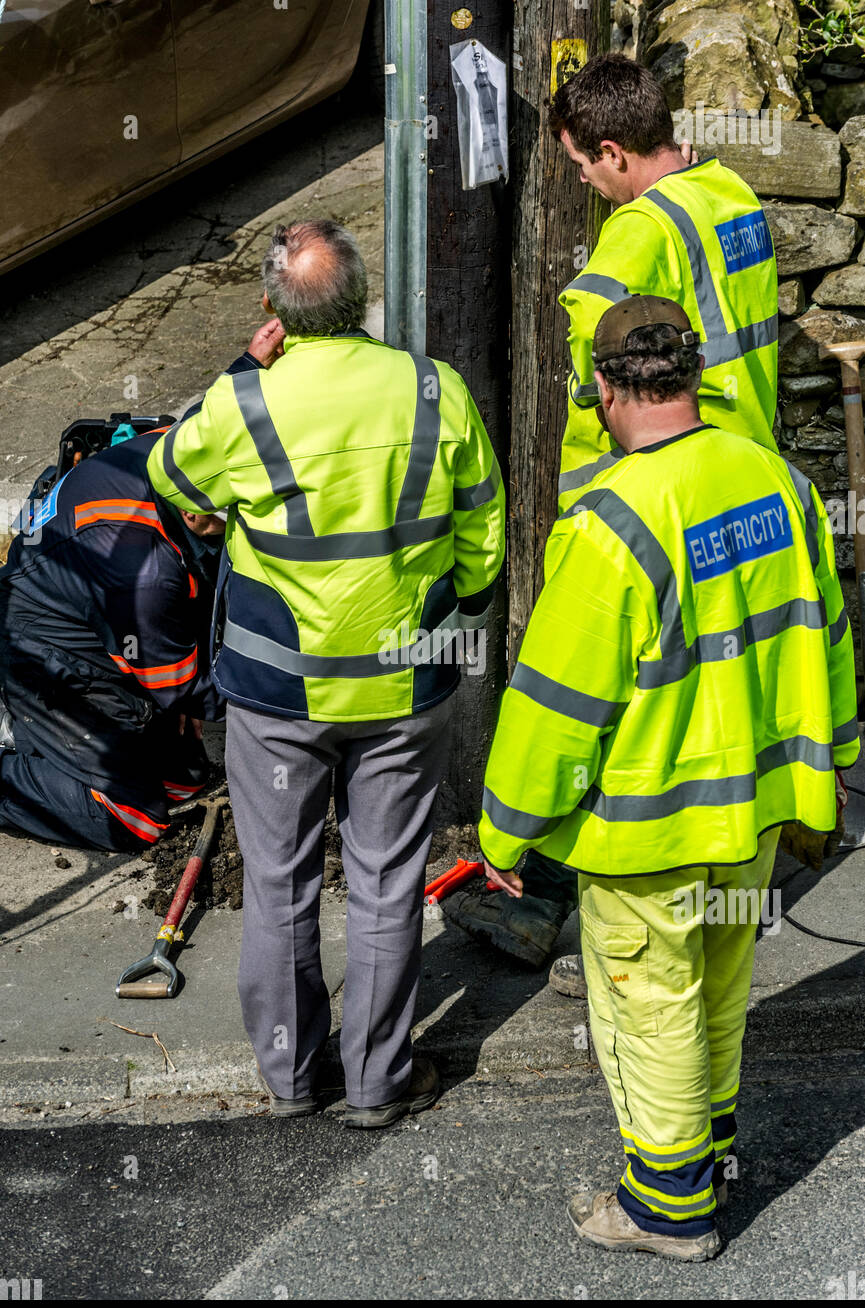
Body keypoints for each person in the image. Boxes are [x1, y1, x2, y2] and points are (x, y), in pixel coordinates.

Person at [477, 296, 857, 1260]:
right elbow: (831, 636)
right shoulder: (775, 480)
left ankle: (667, 1210)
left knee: (650, 1010)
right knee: (717, 988)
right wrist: (838, 768)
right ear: (693, 374)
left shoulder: (612, 524)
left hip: (653, 834)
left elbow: (555, 704)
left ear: (602, 388)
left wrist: (505, 829)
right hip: (758, 813)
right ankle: (709, 1150)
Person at [146, 220, 506, 1128]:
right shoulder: (433, 391)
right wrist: (457, 612)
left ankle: (293, 1077)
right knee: (386, 881)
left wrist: (238, 367)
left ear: (273, 309)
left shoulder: (245, 402)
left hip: (279, 692)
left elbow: (171, 477)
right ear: (361, 303)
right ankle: (381, 1083)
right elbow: (483, 534)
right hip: (403, 684)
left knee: (279, 884)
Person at [454, 50, 780, 980]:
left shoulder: (633, 238)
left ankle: (541, 895)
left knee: (598, 699)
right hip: (740, 470)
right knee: (710, 683)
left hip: (648, 491)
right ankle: (727, 877)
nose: (585, 185)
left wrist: (586, 509)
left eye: (581, 167)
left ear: (608, 148)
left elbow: (595, 381)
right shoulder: (733, 199)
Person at [0, 431, 229, 851]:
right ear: (192, 515)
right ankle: (21, 737)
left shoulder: (195, 438)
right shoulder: (144, 572)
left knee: (184, 779)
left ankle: (35, 733)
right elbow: (180, 687)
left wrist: (183, 688)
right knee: (131, 817)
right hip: (41, 641)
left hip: (93, 615)